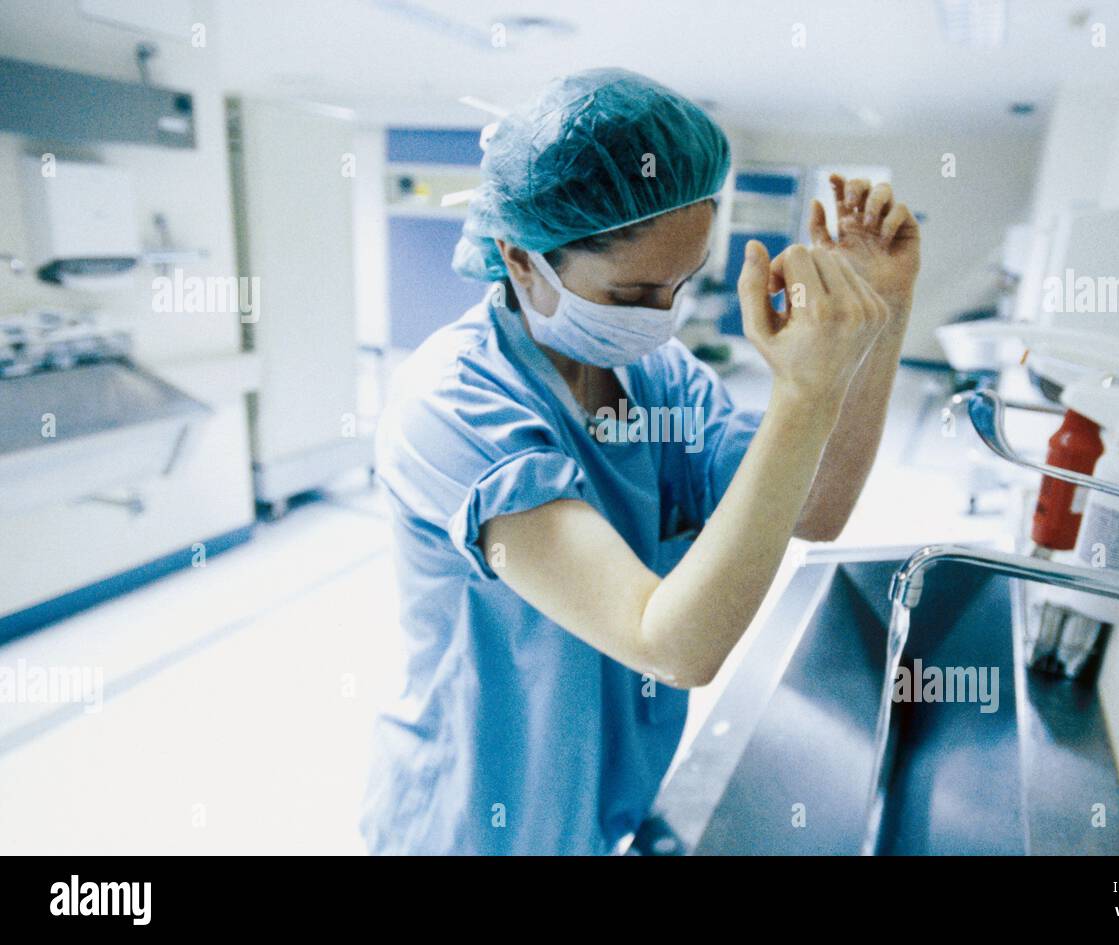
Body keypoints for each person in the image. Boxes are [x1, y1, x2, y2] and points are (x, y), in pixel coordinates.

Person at [360, 67, 921, 854]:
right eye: (630, 296)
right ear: (519, 256)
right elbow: (673, 642)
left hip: (602, 804)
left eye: (680, 286)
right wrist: (802, 393)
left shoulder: (660, 380)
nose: (661, 320)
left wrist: (881, 312)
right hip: (475, 820)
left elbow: (815, 507)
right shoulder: (454, 405)